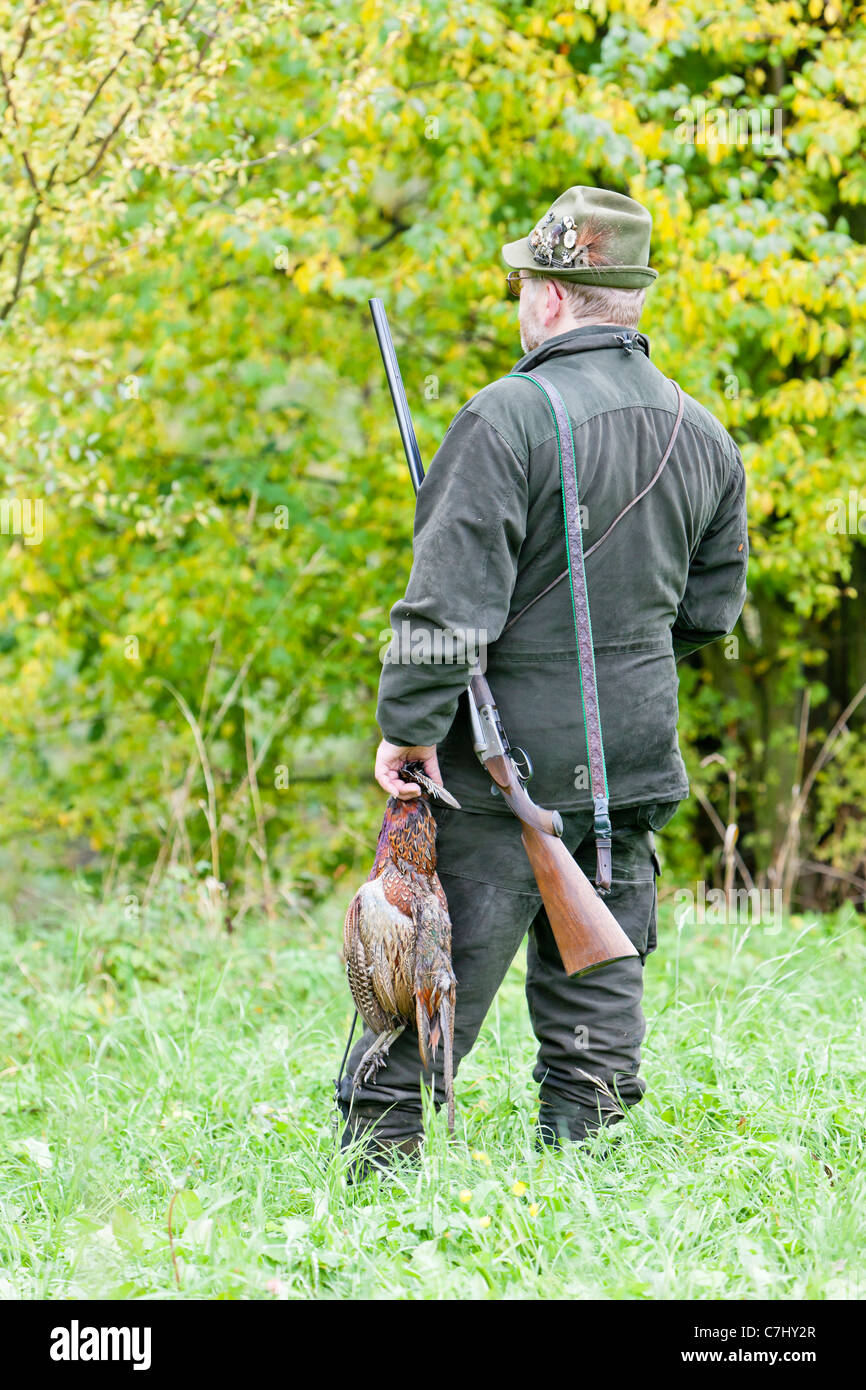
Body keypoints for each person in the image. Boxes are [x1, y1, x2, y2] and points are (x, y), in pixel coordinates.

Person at [337, 185, 748, 1165]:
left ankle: (366, 1206)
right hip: (630, 768)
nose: (521, 301)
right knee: (594, 1021)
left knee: (415, 1003)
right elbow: (708, 615)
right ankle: (584, 1194)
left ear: (553, 296)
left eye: (525, 282)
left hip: (494, 772)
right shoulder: (705, 436)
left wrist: (404, 727)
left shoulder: (501, 419)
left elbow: (442, 612)